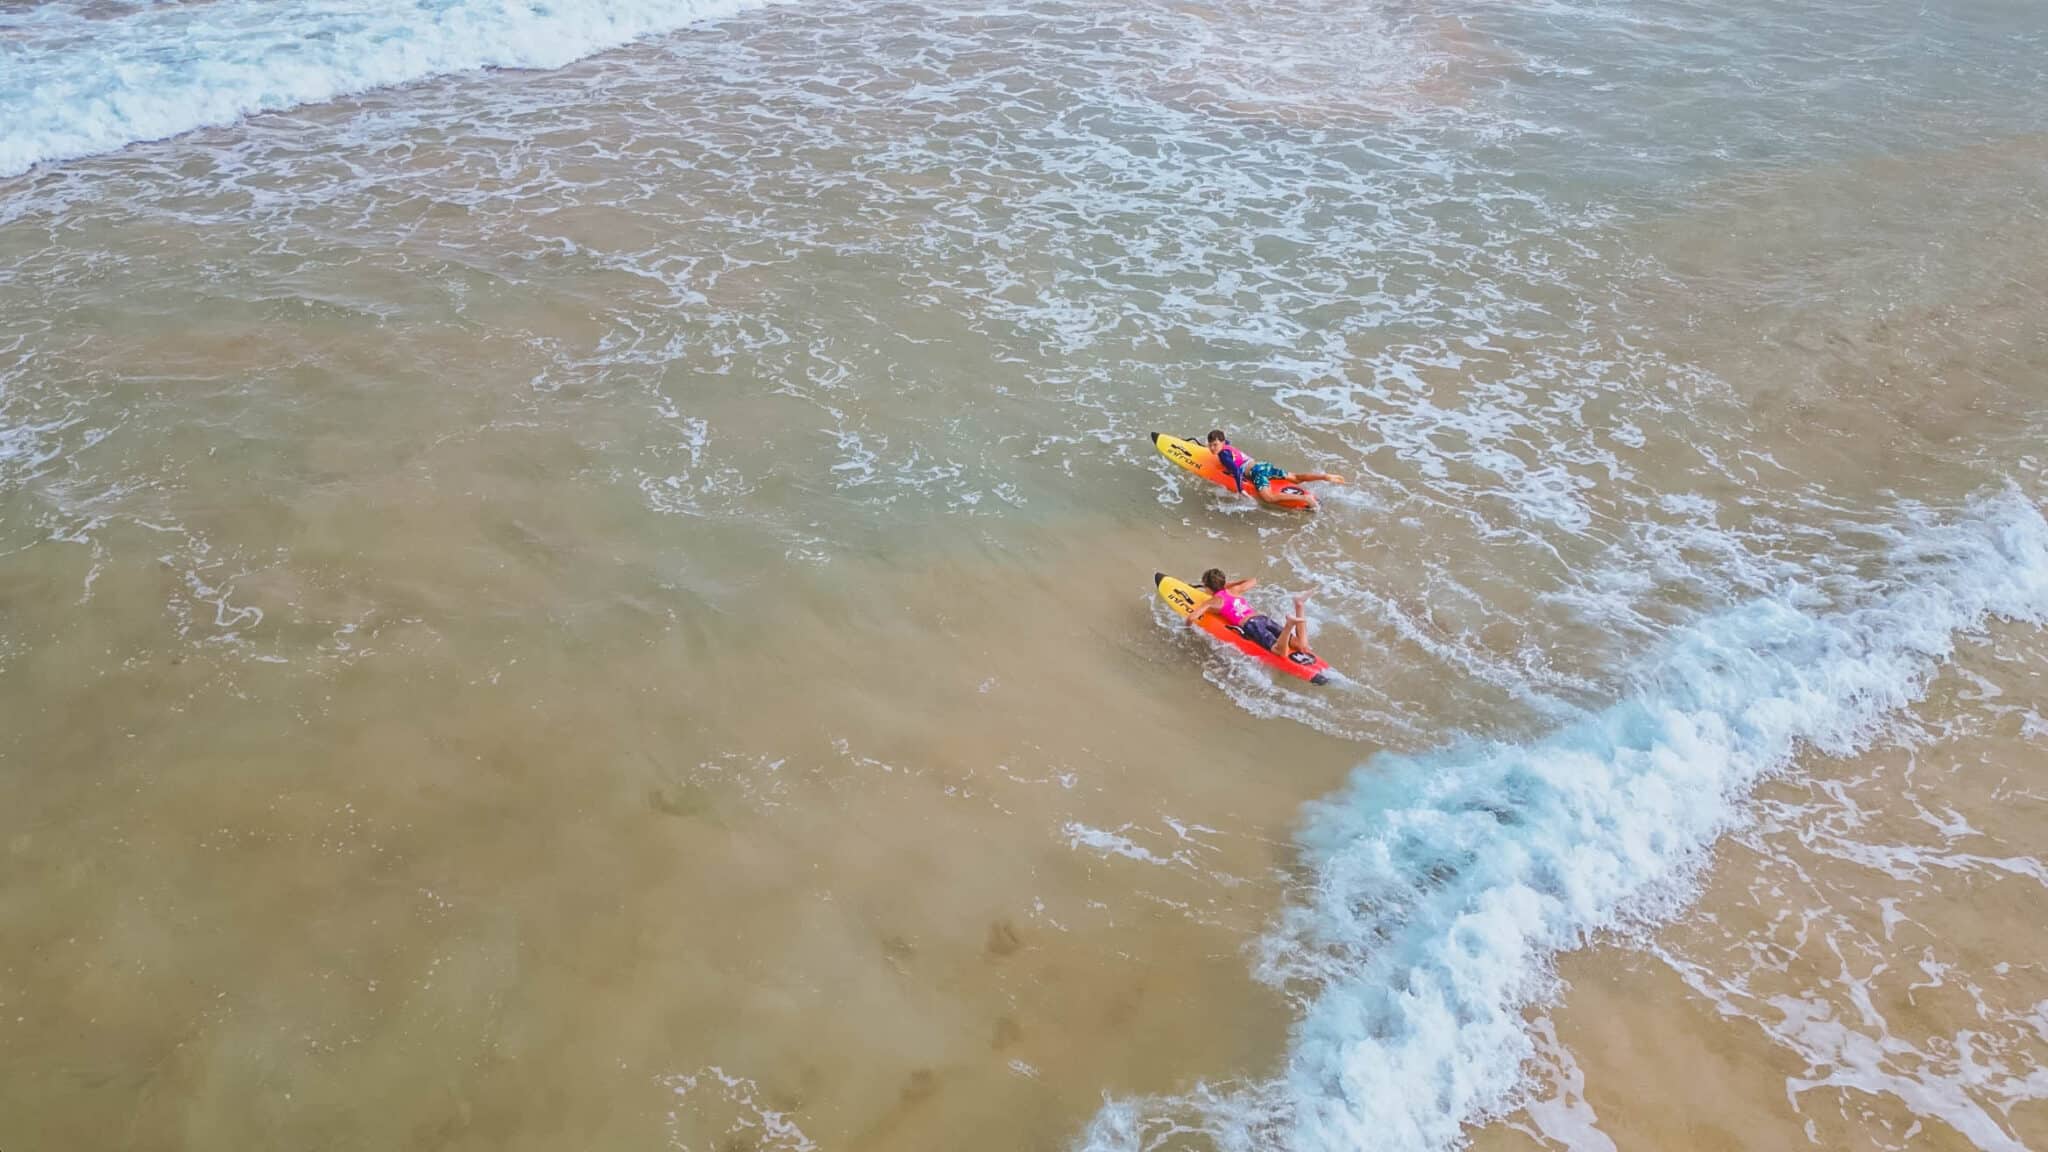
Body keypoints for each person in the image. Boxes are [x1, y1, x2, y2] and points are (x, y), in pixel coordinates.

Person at [1186, 568, 1313, 660]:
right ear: (1223, 583)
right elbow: (1253, 580)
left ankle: (1289, 624)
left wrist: (1188, 629)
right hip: (1261, 618)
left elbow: (1192, 617)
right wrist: (1229, 585)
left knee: (1280, 652)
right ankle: (1299, 605)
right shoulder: (1234, 590)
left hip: (1252, 625)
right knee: (1302, 646)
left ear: (1208, 588)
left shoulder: (1212, 602)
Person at [1204, 430, 1346, 505]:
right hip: (1262, 465)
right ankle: (1325, 476)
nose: (1211, 448)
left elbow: (1235, 471)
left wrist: (1240, 491)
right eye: (1210, 444)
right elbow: (1226, 443)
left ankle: (1305, 499)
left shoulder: (1223, 455)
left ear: (1222, 443)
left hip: (1256, 472)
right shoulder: (1227, 444)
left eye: (1215, 445)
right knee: (1296, 478)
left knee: (1269, 498)